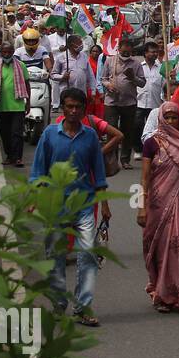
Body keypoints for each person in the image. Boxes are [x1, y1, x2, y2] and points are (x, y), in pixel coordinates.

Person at [30, 87, 110, 327]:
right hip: (55, 205)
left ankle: (82, 307)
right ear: (62, 108)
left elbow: (99, 173)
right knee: (55, 257)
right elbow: (37, 172)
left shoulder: (90, 137)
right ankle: (58, 304)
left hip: (84, 205)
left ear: (84, 110)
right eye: (69, 106)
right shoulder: (49, 135)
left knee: (87, 256)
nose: (74, 111)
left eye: (78, 107)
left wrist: (104, 204)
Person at [137, 102, 179, 313]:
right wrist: (141, 206)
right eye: (168, 117)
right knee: (158, 247)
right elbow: (144, 177)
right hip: (156, 202)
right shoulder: (152, 143)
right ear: (161, 119)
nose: (172, 121)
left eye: (175, 117)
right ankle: (162, 295)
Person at [0, 40, 30, 168]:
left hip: (17, 106)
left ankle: (18, 158)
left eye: (9, 52)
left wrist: (28, 102)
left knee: (17, 133)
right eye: (4, 52)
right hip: (1, 106)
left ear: (13, 52)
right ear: (1, 53)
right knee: (5, 134)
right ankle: (9, 156)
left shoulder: (21, 66)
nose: (7, 54)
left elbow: (27, 84)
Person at [103, 37, 146, 169]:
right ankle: (112, 159)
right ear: (119, 48)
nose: (127, 50)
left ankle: (125, 159)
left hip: (129, 102)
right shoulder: (110, 60)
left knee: (128, 131)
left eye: (129, 48)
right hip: (112, 102)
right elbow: (103, 78)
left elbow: (143, 83)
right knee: (112, 130)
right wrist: (109, 85)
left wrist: (133, 78)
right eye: (124, 47)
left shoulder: (136, 63)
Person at [136, 42, 164, 148]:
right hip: (140, 102)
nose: (155, 54)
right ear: (145, 53)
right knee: (138, 126)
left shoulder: (161, 68)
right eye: (152, 52)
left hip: (155, 103)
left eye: (156, 52)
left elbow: (164, 85)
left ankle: (152, 148)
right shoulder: (139, 67)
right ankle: (138, 149)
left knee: (153, 128)